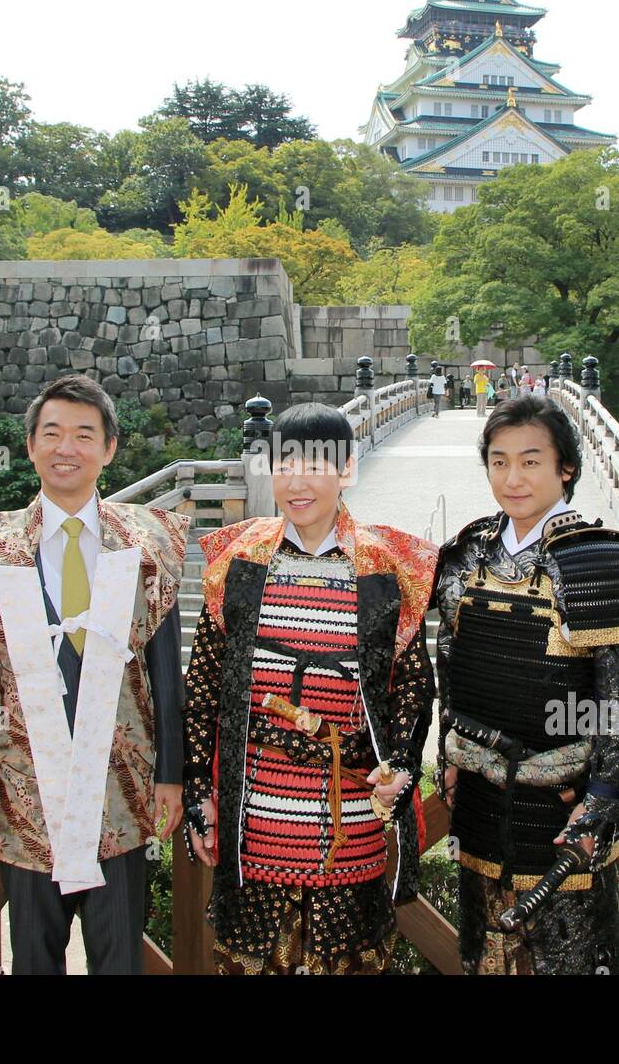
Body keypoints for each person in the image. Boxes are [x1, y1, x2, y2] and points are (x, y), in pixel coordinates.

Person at [0, 374, 188, 974]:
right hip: (25, 789)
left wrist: (172, 773)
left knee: (118, 958)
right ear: (30, 446)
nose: (66, 448)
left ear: (108, 449)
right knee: (33, 956)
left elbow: (166, 674)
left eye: (84, 434)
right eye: (51, 433)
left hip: (121, 787)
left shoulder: (149, 542)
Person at [183, 402, 439, 974]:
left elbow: (414, 685)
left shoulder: (389, 564)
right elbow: (203, 686)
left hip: (349, 815)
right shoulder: (239, 559)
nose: (296, 483)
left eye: (315, 465)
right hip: (254, 817)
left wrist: (399, 761)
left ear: (346, 467)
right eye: (283, 465)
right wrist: (200, 789)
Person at [433, 393, 619, 974]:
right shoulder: (464, 556)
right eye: (499, 460)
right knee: (484, 957)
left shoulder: (603, 563)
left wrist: (603, 798)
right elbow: (450, 671)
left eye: (531, 461)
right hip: (480, 804)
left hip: (566, 811)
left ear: (566, 469)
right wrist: (448, 758)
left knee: (574, 959)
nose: (513, 477)